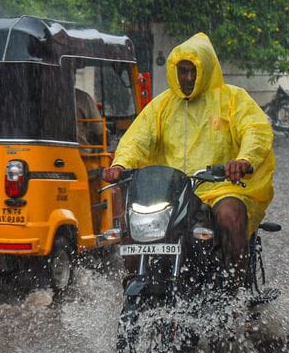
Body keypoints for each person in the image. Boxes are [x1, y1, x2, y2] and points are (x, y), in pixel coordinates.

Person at [101, 32, 275, 289]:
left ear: (206, 70)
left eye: (194, 71)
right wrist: (121, 164)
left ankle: (237, 292)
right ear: (175, 71)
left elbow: (255, 131)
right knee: (133, 224)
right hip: (171, 192)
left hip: (219, 188)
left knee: (230, 215)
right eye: (183, 71)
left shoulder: (233, 99)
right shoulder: (161, 106)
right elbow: (137, 138)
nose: (189, 78)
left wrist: (243, 160)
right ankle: (134, 282)